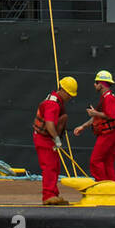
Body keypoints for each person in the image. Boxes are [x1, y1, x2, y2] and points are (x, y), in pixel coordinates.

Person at [32, 75, 77, 205]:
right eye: (69, 94)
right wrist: (56, 139)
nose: (70, 97)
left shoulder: (55, 99)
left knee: (55, 166)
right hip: (44, 138)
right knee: (49, 166)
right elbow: (49, 123)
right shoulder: (53, 104)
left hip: (47, 138)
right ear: (62, 90)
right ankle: (48, 196)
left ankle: (53, 193)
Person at [74, 70, 115, 181]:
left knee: (95, 161)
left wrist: (94, 113)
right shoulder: (106, 97)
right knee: (107, 162)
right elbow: (99, 117)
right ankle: (111, 187)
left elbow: (110, 115)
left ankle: (102, 185)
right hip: (112, 134)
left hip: (108, 135)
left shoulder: (109, 99)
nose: (94, 85)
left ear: (101, 84)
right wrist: (83, 126)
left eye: (96, 82)